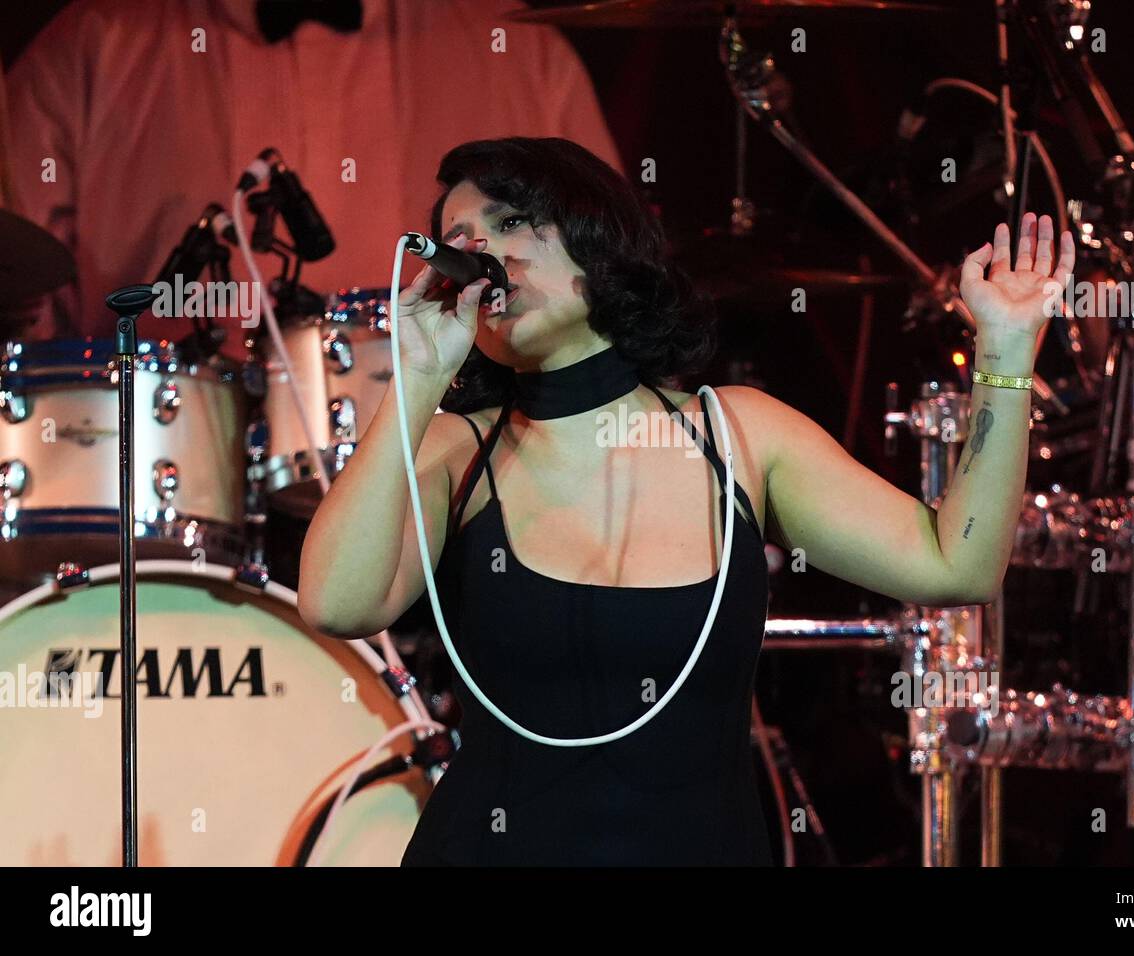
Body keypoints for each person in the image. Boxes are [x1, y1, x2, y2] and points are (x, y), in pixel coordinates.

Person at [297, 136, 1075, 866]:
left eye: (508, 221)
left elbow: (958, 566)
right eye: (460, 238)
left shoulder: (740, 434)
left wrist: (1004, 353)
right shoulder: (451, 449)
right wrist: (420, 380)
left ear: (596, 238)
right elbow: (336, 604)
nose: (480, 253)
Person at [3, 0, 619, 351]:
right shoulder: (93, 44)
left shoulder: (519, 49)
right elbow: (17, 294)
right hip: (164, 474)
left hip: (471, 471)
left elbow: (615, 284)